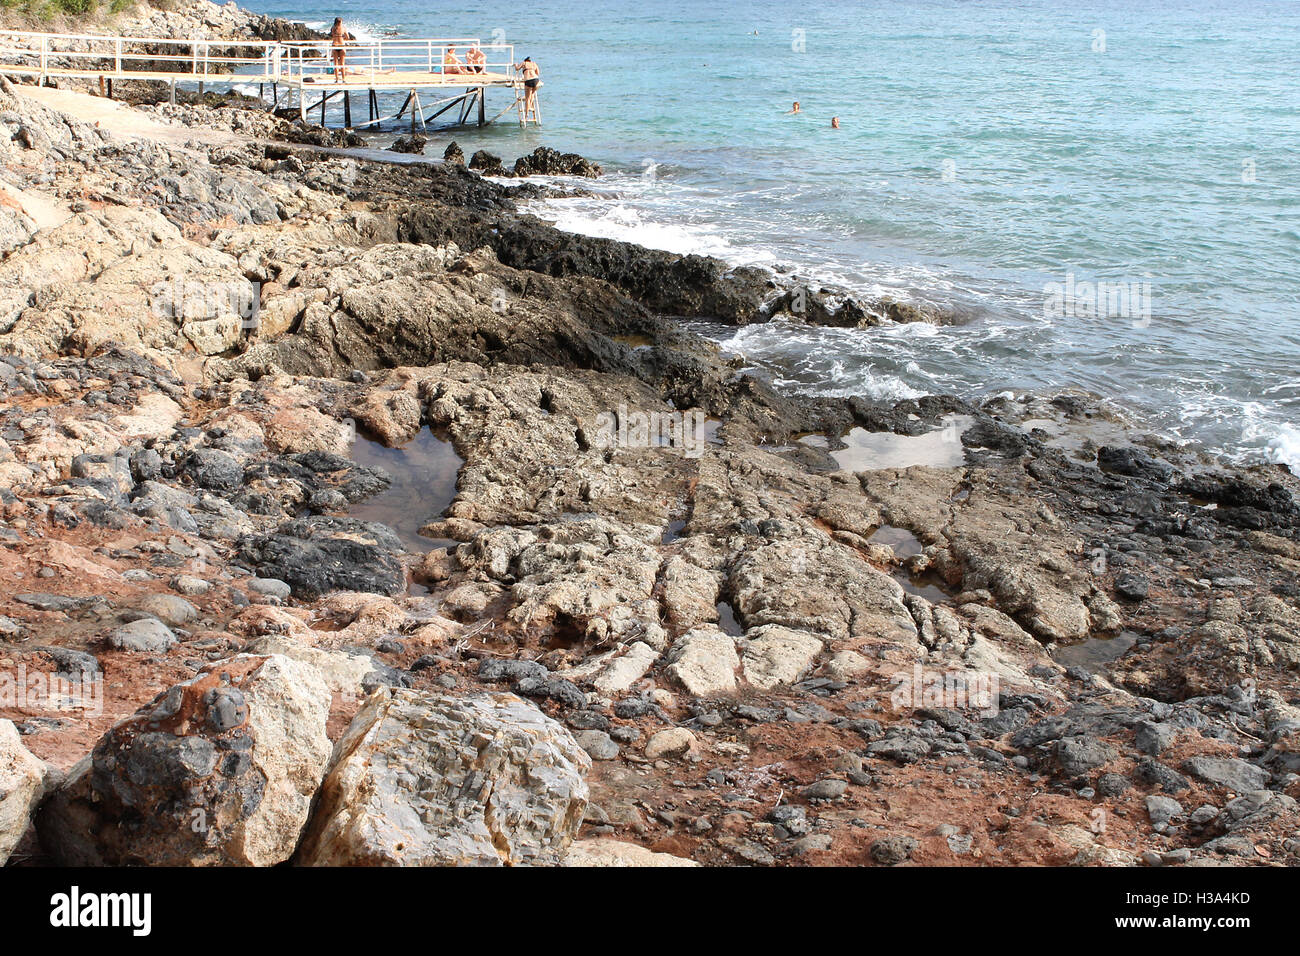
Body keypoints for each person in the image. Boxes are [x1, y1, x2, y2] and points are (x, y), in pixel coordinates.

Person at [517, 56, 540, 122]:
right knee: (532, 95)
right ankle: (529, 107)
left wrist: (515, 65)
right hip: (536, 80)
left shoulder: (524, 63)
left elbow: (517, 68)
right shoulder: (534, 64)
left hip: (528, 80)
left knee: (527, 98)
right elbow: (537, 73)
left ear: (525, 60)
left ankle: (526, 114)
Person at [329, 18, 351, 83]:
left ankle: (336, 79)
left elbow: (332, 36)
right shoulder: (343, 28)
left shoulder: (333, 28)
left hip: (335, 45)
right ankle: (343, 79)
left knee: (335, 63)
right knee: (342, 63)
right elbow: (347, 37)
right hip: (342, 45)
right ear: (340, 22)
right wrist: (342, 38)